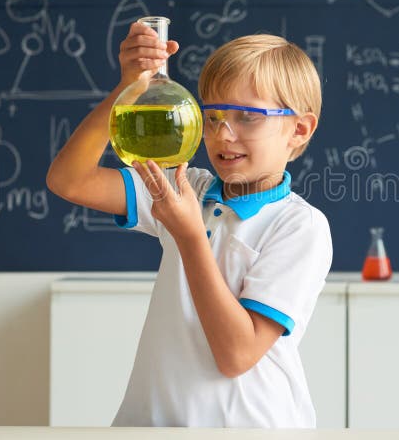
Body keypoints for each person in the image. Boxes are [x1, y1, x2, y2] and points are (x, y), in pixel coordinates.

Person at [46, 22, 333, 428]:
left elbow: (236, 355)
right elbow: (68, 180)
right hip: (153, 424)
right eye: (212, 117)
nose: (223, 134)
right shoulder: (189, 188)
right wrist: (127, 89)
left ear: (298, 129)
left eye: (247, 117)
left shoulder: (299, 226)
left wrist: (189, 235)